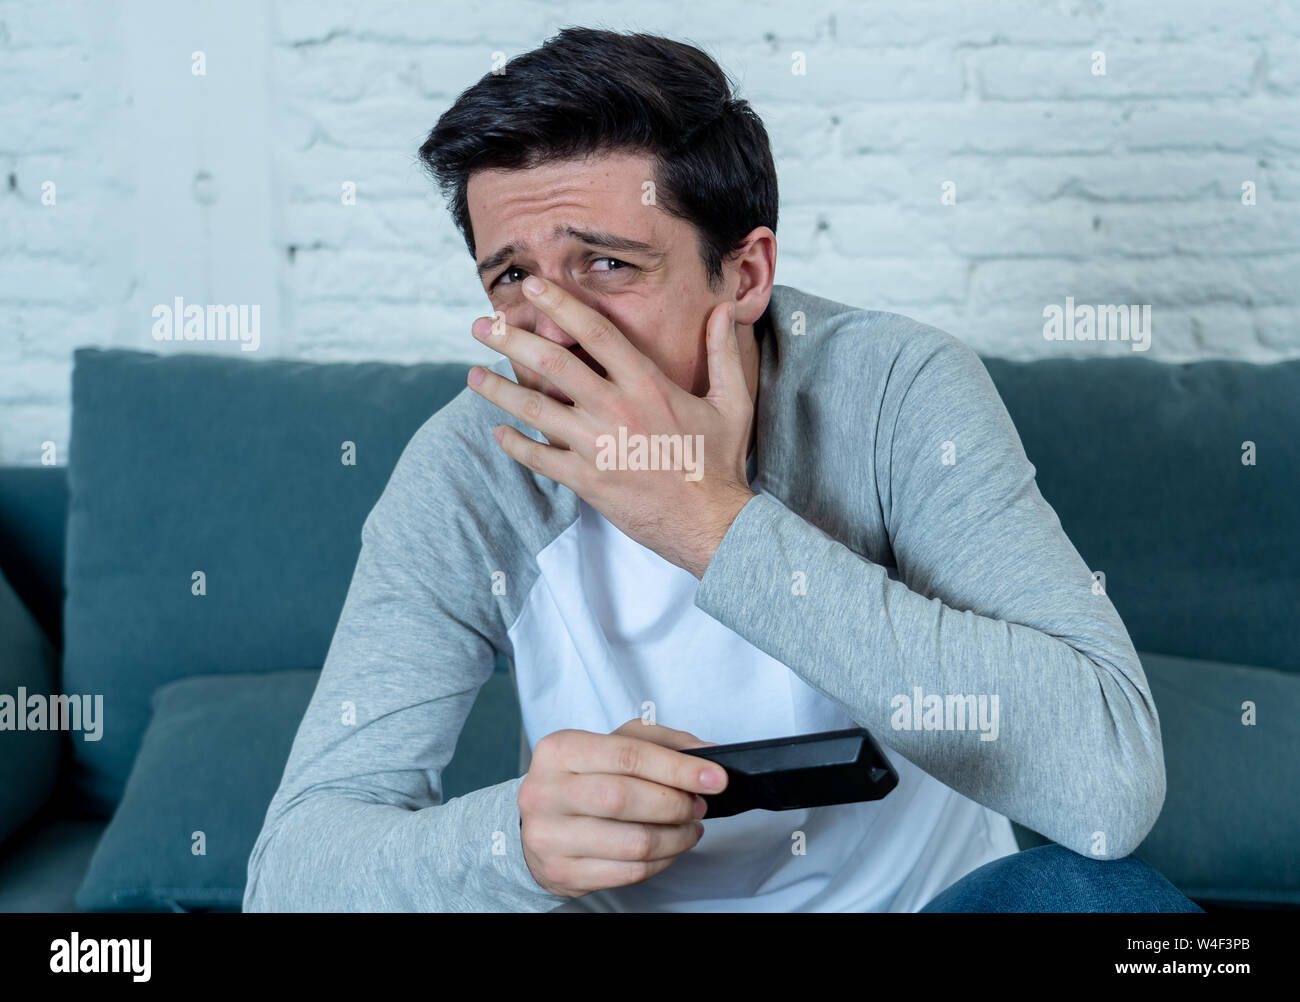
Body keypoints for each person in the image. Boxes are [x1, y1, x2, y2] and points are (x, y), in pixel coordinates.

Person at [244, 26, 1200, 913]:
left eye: (608, 267)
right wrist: (513, 846)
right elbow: (289, 872)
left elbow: (1108, 787)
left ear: (744, 276)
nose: (552, 328)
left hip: (926, 910)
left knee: (1091, 897)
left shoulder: (894, 389)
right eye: (512, 278)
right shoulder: (470, 467)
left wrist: (709, 521)